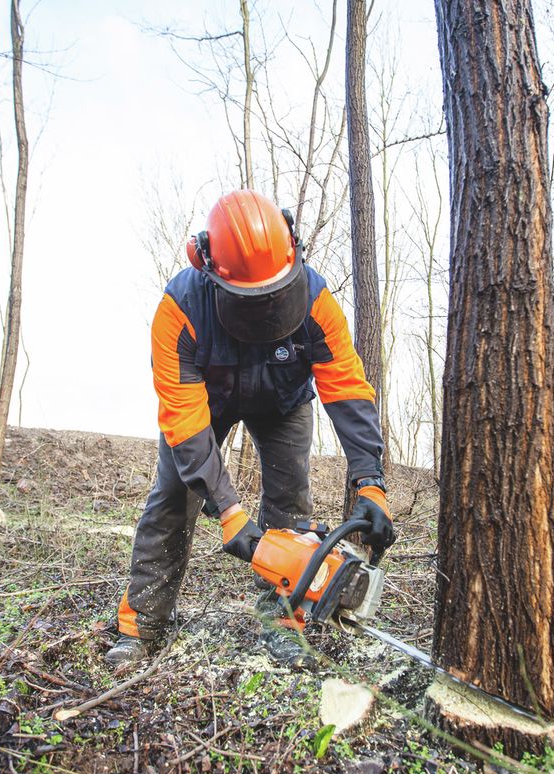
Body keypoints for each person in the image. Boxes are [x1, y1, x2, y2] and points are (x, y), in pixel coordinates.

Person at [106, 188, 394, 670]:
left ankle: (282, 618)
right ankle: (142, 625)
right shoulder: (180, 310)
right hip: (209, 403)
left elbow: (346, 387)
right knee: (174, 497)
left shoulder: (318, 302)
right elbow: (185, 423)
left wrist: (370, 481)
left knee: (289, 498)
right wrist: (229, 512)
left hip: (283, 401)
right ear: (211, 271)